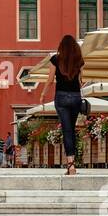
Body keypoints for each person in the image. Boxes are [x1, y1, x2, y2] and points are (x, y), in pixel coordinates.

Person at [37, 34, 85, 175]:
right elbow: (81, 81)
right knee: (72, 129)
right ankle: (72, 164)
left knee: (67, 130)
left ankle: (70, 164)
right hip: (76, 97)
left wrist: (42, 94)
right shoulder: (79, 60)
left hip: (61, 97)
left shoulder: (55, 59)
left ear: (61, 47)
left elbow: (50, 79)